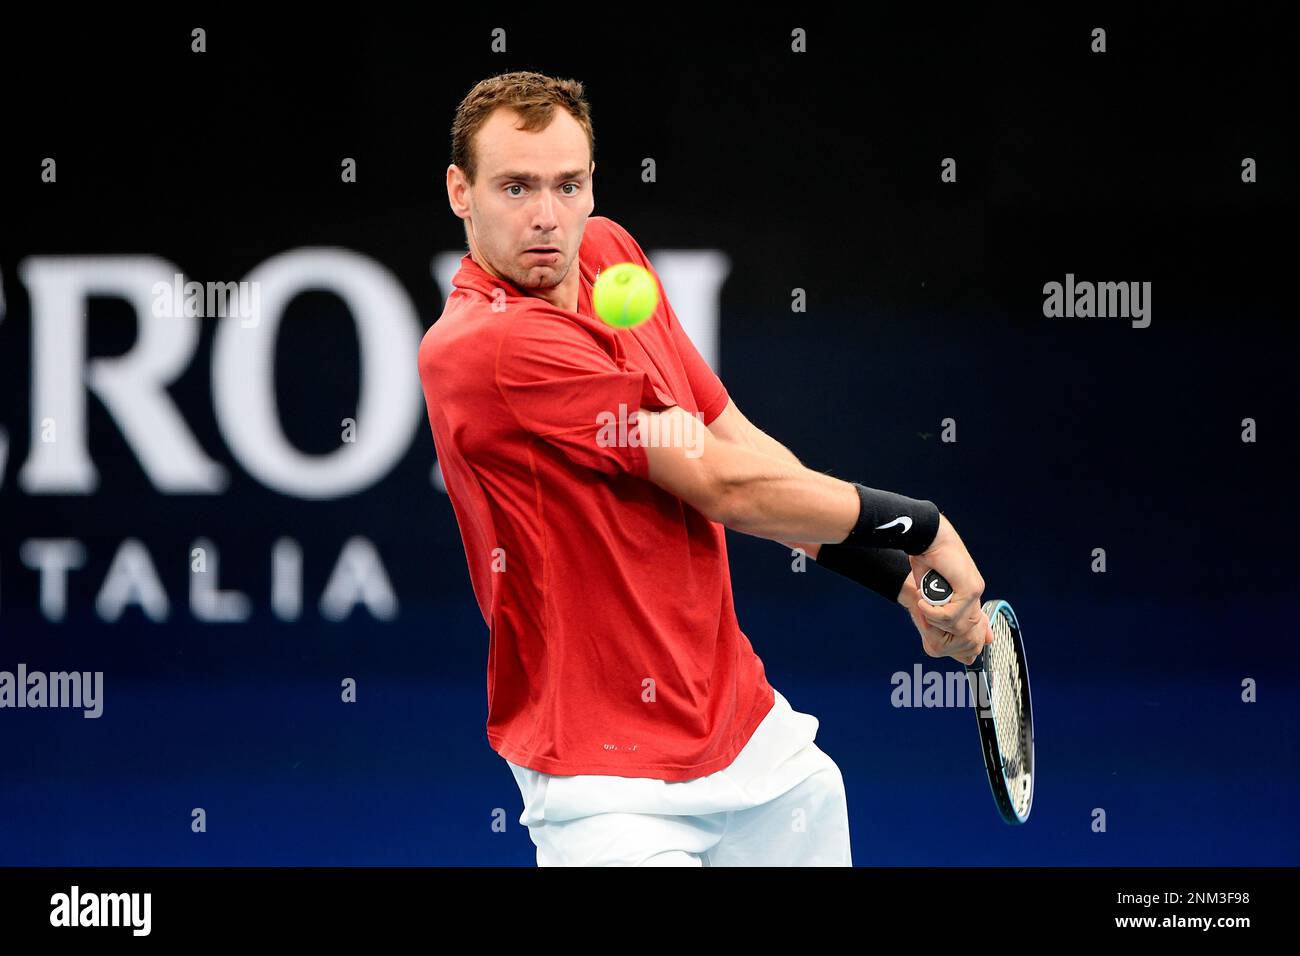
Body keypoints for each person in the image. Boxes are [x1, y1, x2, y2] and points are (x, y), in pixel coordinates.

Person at [418, 70, 994, 866]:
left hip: (752, 740)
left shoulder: (609, 251)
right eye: (515, 187)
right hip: (606, 787)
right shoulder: (488, 347)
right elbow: (719, 486)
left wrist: (898, 576)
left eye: (568, 185)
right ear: (461, 191)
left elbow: (739, 447)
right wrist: (923, 525)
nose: (547, 217)